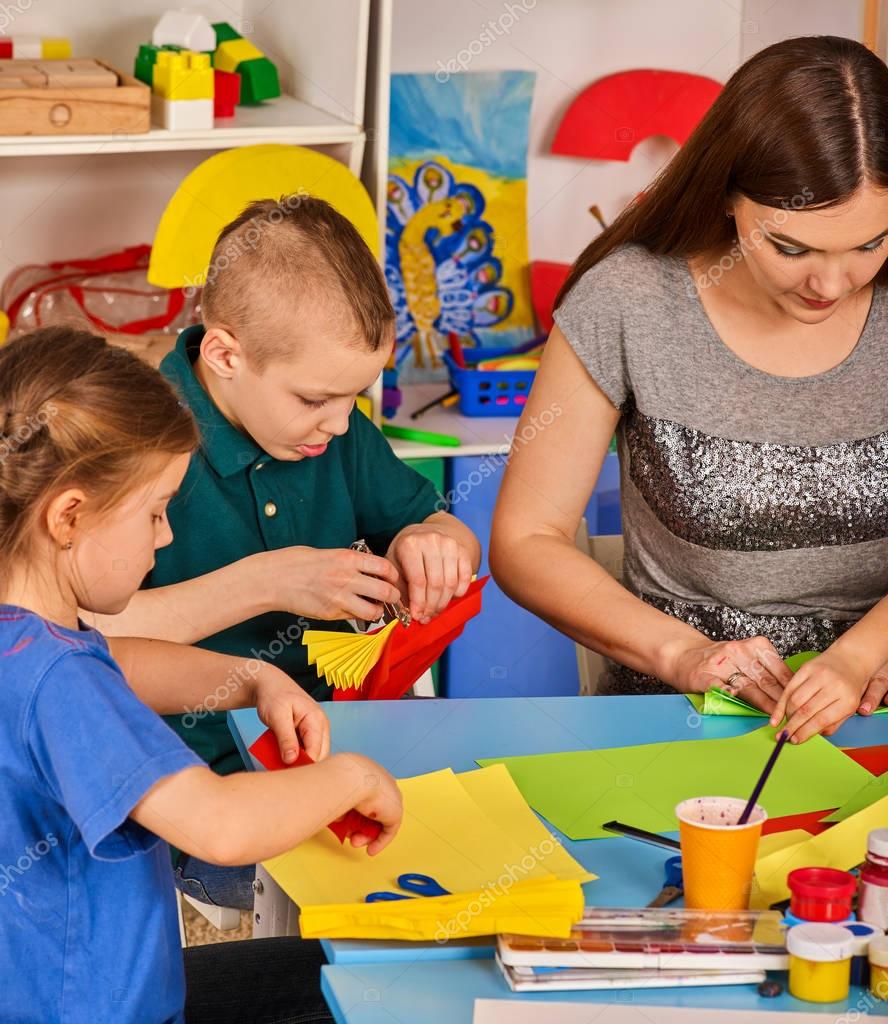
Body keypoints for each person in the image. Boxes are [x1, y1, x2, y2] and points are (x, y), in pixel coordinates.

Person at [490, 35, 888, 744]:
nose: (831, 284)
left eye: (870, 244)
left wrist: (862, 653)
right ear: (728, 195)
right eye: (792, 248)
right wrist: (682, 654)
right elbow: (526, 539)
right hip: (679, 715)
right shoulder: (629, 300)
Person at [0, 327, 402, 1024]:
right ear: (69, 516)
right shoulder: (61, 682)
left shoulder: (29, 641)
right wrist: (355, 778)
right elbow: (219, 826)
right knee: (359, 987)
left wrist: (251, 678)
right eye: (155, 513)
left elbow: (120, 661)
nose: (164, 537)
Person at [94, 195, 480, 908]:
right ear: (225, 355)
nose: (340, 424)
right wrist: (266, 581)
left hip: (346, 747)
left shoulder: (331, 427)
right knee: (352, 896)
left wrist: (435, 543)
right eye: (314, 400)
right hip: (206, 788)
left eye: (355, 397)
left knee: (471, 852)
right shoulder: (136, 442)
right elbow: (77, 637)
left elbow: (431, 521)